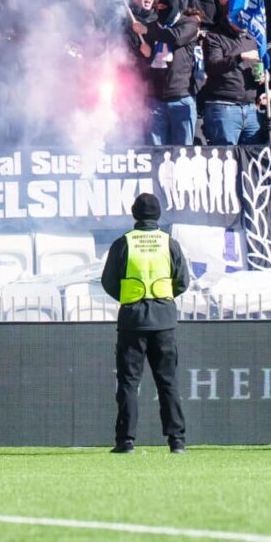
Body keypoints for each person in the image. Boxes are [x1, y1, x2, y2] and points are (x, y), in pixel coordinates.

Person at [100, 191, 191, 454]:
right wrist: (162, 299)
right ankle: (177, 441)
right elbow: (183, 281)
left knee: (129, 383)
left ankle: (125, 442)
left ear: (134, 214)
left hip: (132, 320)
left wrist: (131, 298)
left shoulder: (123, 243)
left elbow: (108, 281)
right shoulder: (169, 243)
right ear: (158, 215)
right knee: (168, 382)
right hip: (164, 320)